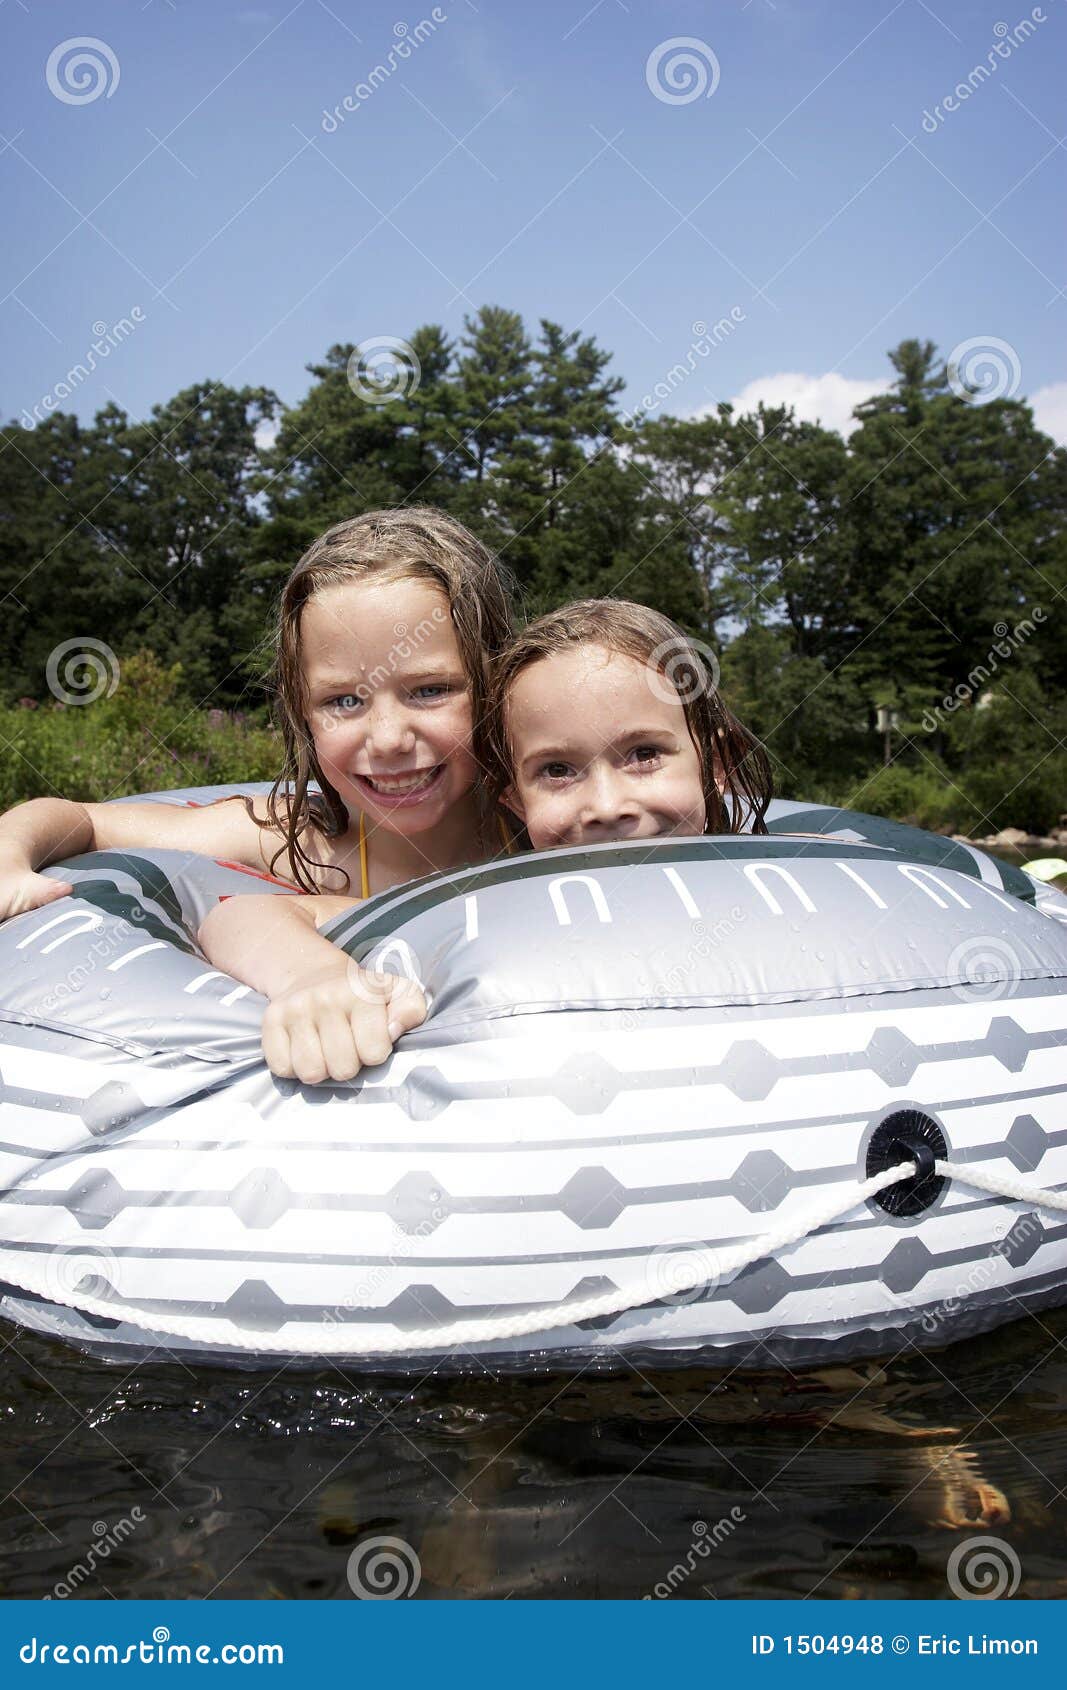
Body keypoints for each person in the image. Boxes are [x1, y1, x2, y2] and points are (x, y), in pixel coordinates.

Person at [0, 506, 517, 1073]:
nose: (389, 738)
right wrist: (7, 855)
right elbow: (83, 818)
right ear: (303, 714)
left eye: (431, 689)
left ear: (496, 680)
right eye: (344, 700)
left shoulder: (545, 828)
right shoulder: (297, 839)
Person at [214, 597, 772, 1082]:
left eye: (644, 754)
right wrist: (316, 976)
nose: (606, 807)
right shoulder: (504, 901)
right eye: (557, 770)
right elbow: (238, 917)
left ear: (716, 766)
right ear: (515, 800)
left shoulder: (783, 885)